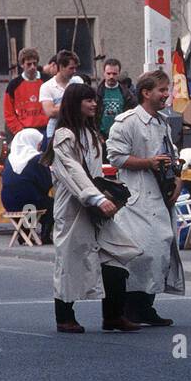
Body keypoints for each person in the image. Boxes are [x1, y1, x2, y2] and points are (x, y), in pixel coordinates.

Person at [48, 83, 141, 334]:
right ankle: (64, 316)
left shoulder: (90, 135)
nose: (94, 104)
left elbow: (95, 173)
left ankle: (113, 315)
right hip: (74, 209)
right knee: (69, 262)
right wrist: (97, 198)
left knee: (116, 256)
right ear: (75, 103)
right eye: (87, 100)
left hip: (97, 208)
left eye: (94, 100)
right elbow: (73, 173)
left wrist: (106, 194)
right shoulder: (64, 136)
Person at [105, 70, 186, 327]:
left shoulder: (162, 122)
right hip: (136, 195)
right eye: (162, 90)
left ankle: (146, 305)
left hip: (159, 194)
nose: (167, 95)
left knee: (161, 248)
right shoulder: (126, 121)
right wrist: (148, 163)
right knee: (141, 252)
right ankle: (130, 306)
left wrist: (176, 177)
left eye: (167, 89)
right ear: (146, 92)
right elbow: (116, 157)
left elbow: (167, 156)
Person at [1, 127, 54, 244]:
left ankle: (25, 233)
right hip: (29, 205)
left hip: (8, 203)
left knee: (30, 196)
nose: (40, 146)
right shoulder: (36, 159)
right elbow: (46, 184)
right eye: (39, 143)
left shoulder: (9, 159)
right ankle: (45, 235)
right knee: (52, 204)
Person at [2, 48, 50, 137]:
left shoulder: (47, 81)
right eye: (29, 64)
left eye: (34, 64)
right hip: (23, 131)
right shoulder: (14, 85)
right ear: (22, 65)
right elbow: (8, 112)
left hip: (45, 130)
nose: (32, 67)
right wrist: (19, 131)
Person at [40, 50, 83, 141]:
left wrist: (59, 107)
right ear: (61, 67)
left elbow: (83, 105)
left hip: (76, 132)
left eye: (75, 68)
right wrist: (73, 104)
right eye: (71, 68)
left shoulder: (78, 82)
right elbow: (50, 112)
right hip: (54, 134)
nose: (74, 71)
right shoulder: (47, 87)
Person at [95, 57, 134, 139]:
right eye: (108, 73)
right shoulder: (96, 93)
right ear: (104, 73)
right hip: (102, 137)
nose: (111, 76)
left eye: (114, 74)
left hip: (121, 136)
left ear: (119, 73)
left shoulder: (128, 94)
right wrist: (97, 133)